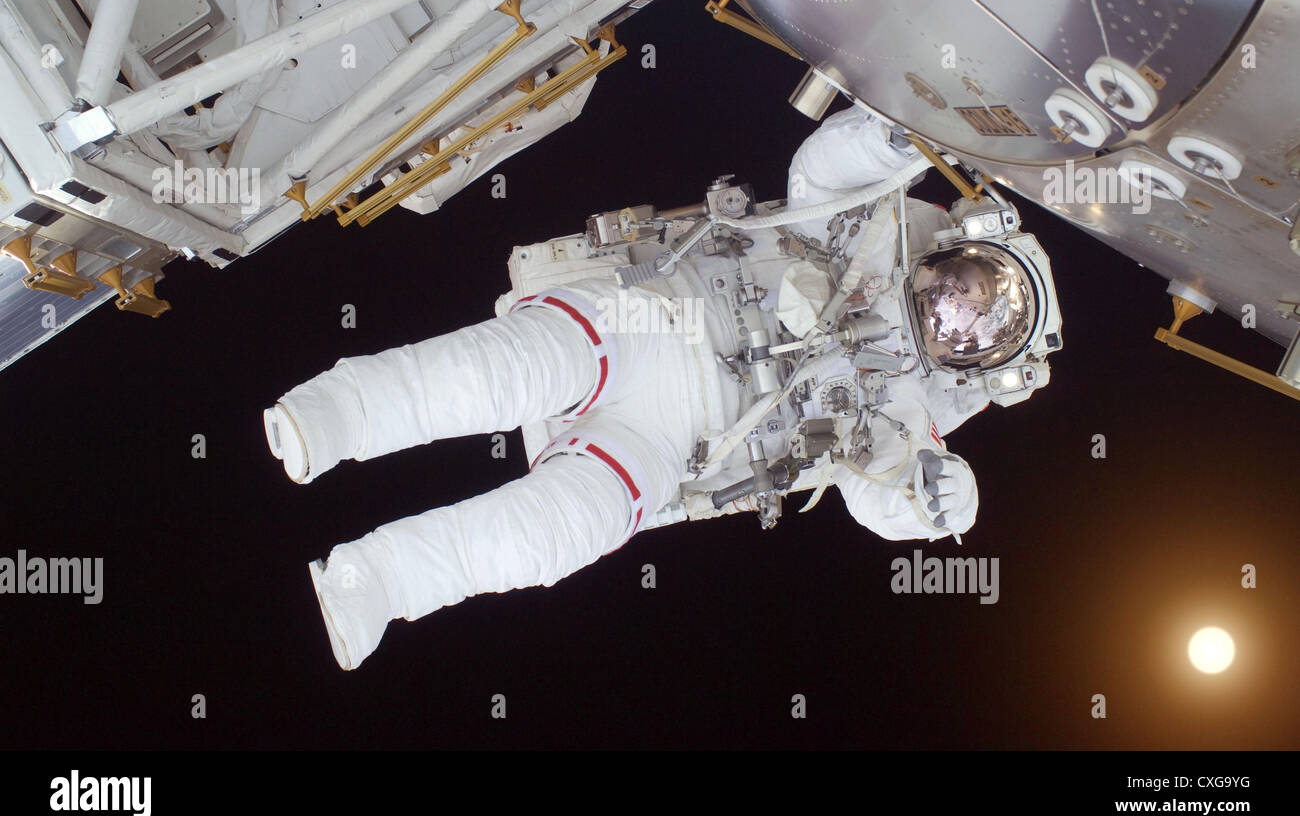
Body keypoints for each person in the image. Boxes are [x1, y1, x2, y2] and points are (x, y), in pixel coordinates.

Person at [263, 106, 1063, 669]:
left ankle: (373, 582)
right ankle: (338, 413)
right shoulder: (872, 230)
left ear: (981, 365)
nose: (958, 314)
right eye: (970, 286)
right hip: (660, 323)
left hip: (679, 447)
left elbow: (884, 496)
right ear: (956, 254)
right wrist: (896, 137)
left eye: (978, 330)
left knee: (562, 532)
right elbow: (823, 168)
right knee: (515, 369)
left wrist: (942, 500)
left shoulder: (913, 410)